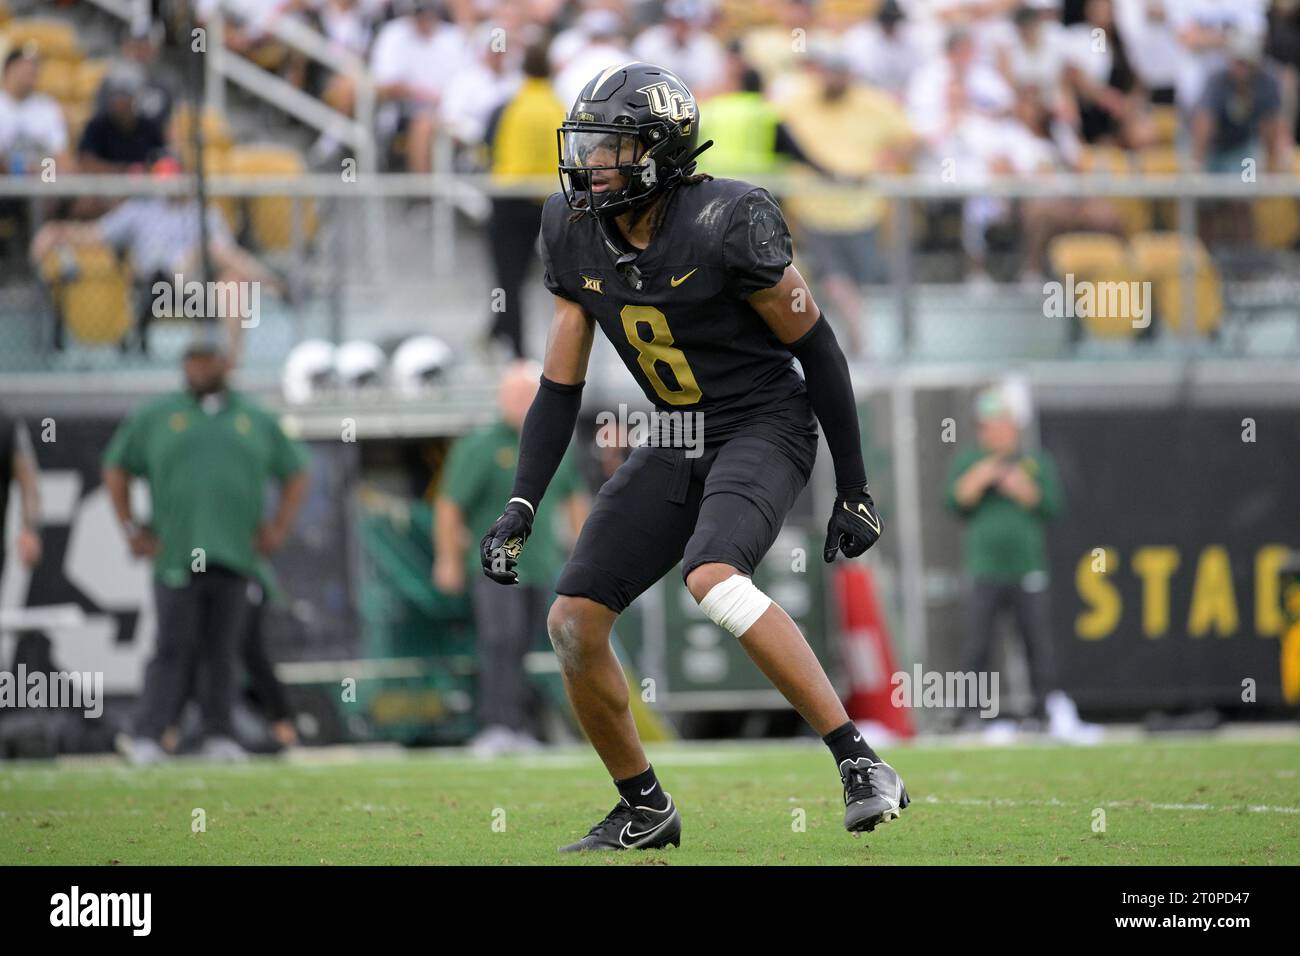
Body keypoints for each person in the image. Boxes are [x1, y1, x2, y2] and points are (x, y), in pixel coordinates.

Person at [478, 62, 908, 853]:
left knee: (713, 576)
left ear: (662, 152)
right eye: (590, 146)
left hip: (764, 423)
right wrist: (523, 503)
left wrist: (856, 486)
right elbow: (558, 386)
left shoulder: (729, 220)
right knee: (572, 621)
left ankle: (860, 762)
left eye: (614, 147)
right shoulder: (571, 229)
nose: (594, 163)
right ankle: (644, 806)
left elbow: (821, 351)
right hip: (675, 430)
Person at [104, 333, 309, 764]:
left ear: (225, 364)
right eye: (191, 361)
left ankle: (220, 734)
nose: (198, 369)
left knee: (224, 650)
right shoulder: (158, 415)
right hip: (176, 554)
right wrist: (128, 526)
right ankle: (149, 734)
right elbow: (116, 466)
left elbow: (296, 471)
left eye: (206, 361)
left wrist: (278, 528)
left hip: (235, 554)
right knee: (172, 647)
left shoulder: (254, 418)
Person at [434, 361, 588, 757]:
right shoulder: (481, 446)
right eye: (514, 394)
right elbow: (450, 505)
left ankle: (516, 725)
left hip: (539, 565)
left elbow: (573, 498)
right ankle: (494, 725)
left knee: (521, 645)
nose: (521, 402)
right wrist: (447, 559)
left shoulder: (554, 442)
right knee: (498, 642)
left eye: (527, 394)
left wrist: (585, 550)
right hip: (495, 566)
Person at [944, 386, 1095, 741]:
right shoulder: (970, 461)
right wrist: (985, 475)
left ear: (1013, 426)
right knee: (977, 643)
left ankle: (1042, 711)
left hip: (1027, 568)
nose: (991, 432)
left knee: (1035, 641)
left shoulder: (1034, 462)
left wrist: (1018, 485)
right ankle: (970, 713)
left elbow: (1050, 506)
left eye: (998, 424)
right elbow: (955, 500)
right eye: (986, 425)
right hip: (984, 568)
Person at [479, 42, 563, 358]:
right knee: (521, 274)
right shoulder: (558, 106)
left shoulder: (510, 106)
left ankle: (516, 352)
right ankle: (498, 329)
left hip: (508, 198)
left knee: (506, 278)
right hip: (543, 201)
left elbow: (486, 146)